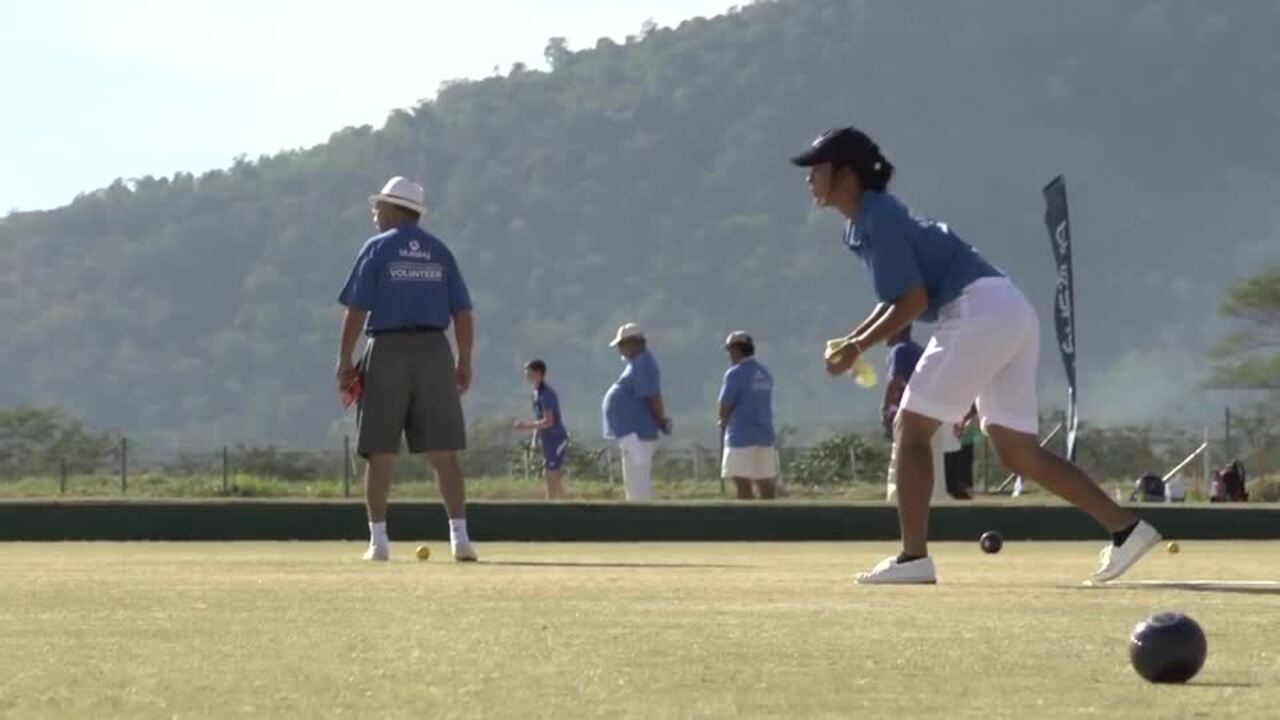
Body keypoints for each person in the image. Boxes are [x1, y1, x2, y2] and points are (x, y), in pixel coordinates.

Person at [791, 126, 1160, 584]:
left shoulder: (877, 218)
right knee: (1017, 452)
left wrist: (856, 346)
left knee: (911, 429)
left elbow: (913, 302)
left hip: (977, 312)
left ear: (845, 175)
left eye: (816, 169)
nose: (808, 179)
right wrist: (853, 341)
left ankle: (913, 559)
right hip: (1007, 309)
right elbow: (899, 297)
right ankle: (1127, 530)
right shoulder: (864, 223)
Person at [335, 176, 478, 562]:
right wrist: (464, 359)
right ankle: (460, 539)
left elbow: (356, 308)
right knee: (444, 453)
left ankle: (378, 542)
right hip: (435, 350)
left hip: (388, 349)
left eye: (379, 206)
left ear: (396, 209)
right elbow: (462, 311)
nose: (375, 212)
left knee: (379, 450)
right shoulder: (439, 251)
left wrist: (344, 360)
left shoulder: (377, 248)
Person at [601, 323, 671, 501]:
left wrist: (660, 420)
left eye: (621, 344)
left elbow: (652, 396)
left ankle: (641, 515)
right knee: (634, 479)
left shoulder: (644, 364)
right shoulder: (637, 363)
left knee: (637, 479)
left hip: (638, 433)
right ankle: (637, 510)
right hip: (631, 432)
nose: (619, 349)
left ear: (633, 343)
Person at [881, 324, 950, 504]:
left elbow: (894, 382)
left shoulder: (900, 350)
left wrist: (886, 409)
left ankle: (898, 505)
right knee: (932, 462)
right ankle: (934, 503)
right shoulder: (919, 350)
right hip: (933, 413)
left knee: (901, 461)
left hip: (911, 414)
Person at [717, 331, 779, 500]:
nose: (729, 355)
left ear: (737, 349)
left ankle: (747, 518)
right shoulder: (764, 373)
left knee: (740, 479)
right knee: (764, 480)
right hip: (765, 435)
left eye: (730, 350)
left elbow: (725, 403)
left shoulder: (735, 373)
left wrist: (722, 421)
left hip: (741, 435)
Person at [514, 359, 569, 499]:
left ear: (538, 373)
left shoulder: (546, 394)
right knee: (551, 474)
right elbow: (540, 417)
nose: (526, 375)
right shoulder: (536, 393)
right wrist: (535, 438)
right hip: (548, 439)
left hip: (555, 437)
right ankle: (565, 503)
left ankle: (551, 504)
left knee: (551, 473)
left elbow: (548, 421)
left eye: (529, 372)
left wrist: (525, 426)